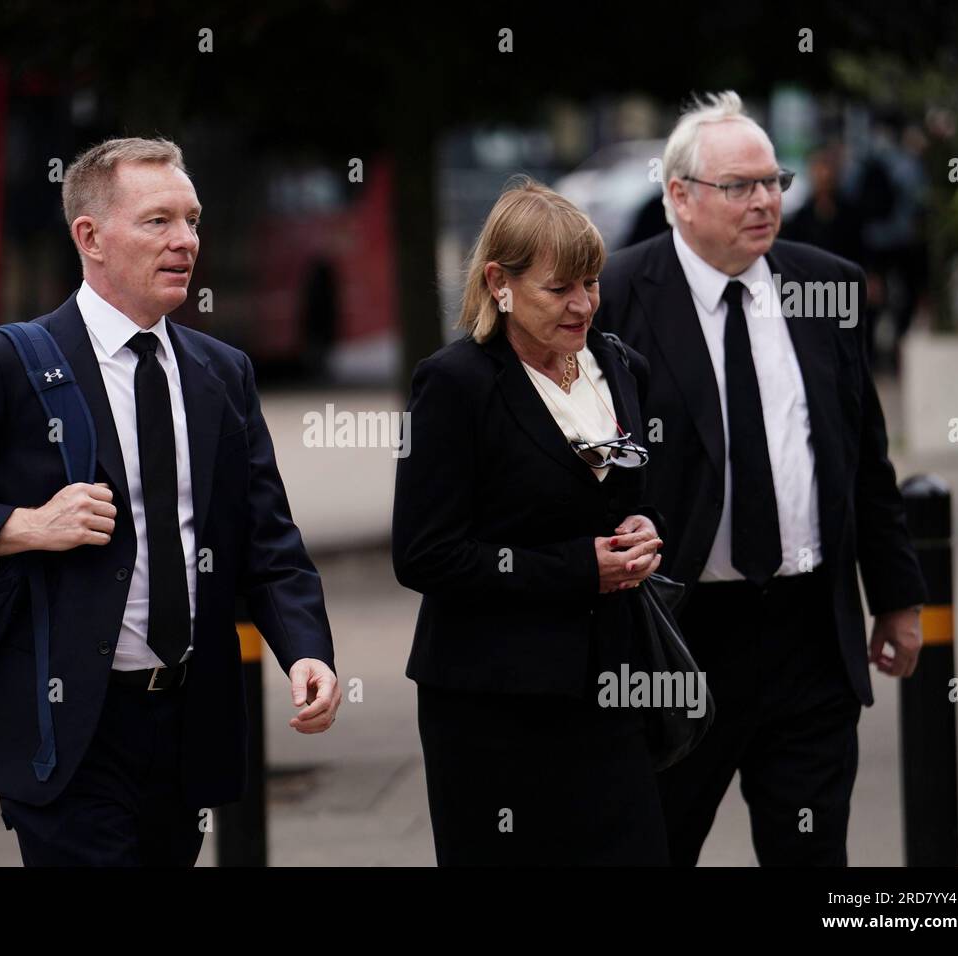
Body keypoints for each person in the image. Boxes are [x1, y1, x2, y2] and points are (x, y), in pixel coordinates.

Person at [0, 137, 340, 866]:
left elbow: (268, 541)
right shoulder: (9, 364)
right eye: (158, 221)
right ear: (90, 236)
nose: (185, 241)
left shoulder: (223, 373)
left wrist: (306, 650)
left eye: (192, 220)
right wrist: (19, 526)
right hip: (66, 733)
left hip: (186, 725)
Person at [596, 92, 926, 866]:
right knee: (655, 847)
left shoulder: (827, 288)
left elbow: (865, 464)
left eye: (773, 181)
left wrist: (899, 599)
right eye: (739, 186)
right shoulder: (616, 295)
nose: (765, 201)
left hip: (809, 634)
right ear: (679, 196)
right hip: (678, 637)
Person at [393, 177, 669, 865]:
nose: (582, 305)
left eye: (592, 283)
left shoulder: (618, 363)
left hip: (611, 686)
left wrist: (643, 526)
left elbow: (631, 492)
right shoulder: (455, 384)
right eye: (560, 289)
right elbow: (424, 554)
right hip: (493, 707)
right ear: (500, 282)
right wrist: (579, 568)